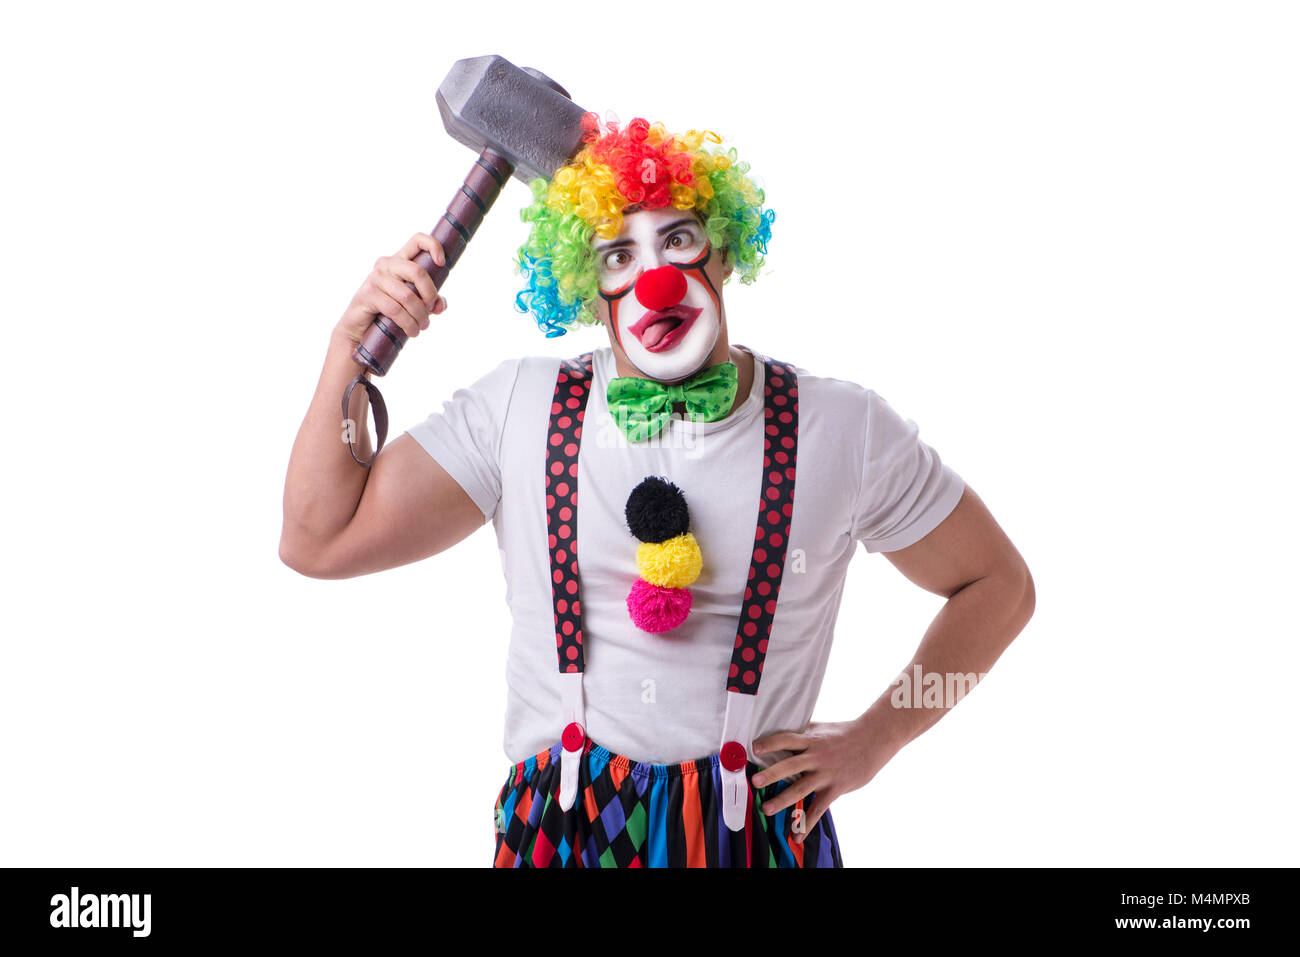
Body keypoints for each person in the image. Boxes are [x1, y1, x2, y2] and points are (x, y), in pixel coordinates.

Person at [279, 112, 1036, 868]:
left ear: (726, 250)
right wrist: (350, 354)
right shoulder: (520, 406)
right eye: (617, 254)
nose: (657, 278)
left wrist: (876, 738)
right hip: (563, 832)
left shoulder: (842, 426)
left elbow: (999, 587)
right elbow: (318, 539)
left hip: (758, 832)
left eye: (678, 239)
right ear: (583, 286)